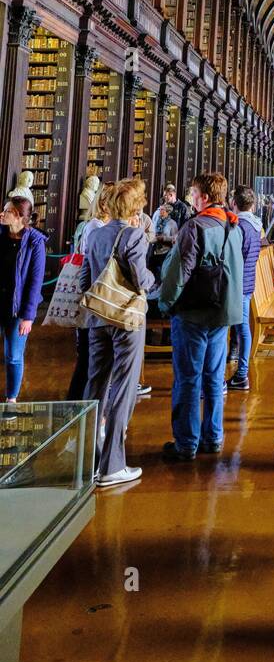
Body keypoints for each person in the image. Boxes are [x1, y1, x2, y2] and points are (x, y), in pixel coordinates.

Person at [158, 172, 243, 462]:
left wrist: (165, 303)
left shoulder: (195, 227)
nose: (190, 198)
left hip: (193, 312)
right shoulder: (234, 227)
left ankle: (186, 442)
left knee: (188, 378)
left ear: (204, 197)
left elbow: (178, 271)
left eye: (193, 193)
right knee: (214, 377)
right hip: (221, 314)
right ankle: (213, 437)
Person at [79, 179, 154, 487]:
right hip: (126, 320)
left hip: (98, 319)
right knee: (124, 386)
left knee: (95, 382)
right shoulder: (133, 236)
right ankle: (111, 465)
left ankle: (85, 456)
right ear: (134, 207)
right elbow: (140, 280)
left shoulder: (95, 233)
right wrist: (153, 280)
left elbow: (86, 277)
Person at [0, 197, 46, 402]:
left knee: (13, 356)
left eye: (7, 211)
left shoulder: (35, 242)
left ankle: (11, 399)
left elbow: (35, 282)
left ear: (18, 217)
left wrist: (28, 316)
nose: (2, 214)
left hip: (17, 308)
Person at [68, 184, 112, 399]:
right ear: (106, 203)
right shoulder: (96, 227)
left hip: (94, 296)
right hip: (92, 296)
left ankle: (81, 399)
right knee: (86, 354)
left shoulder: (98, 225)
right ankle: (77, 401)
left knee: (89, 353)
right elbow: (94, 264)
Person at [226, 185, 263, 392]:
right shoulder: (256, 225)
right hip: (247, 281)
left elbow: (233, 256)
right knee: (241, 328)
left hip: (237, 283)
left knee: (241, 329)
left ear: (234, 204)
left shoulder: (239, 226)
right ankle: (239, 369)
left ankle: (241, 374)